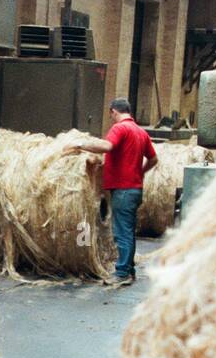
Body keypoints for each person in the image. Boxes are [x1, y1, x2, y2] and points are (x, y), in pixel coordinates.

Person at [63, 97, 157, 286]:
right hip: (134, 189)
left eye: (111, 114)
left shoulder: (120, 128)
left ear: (114, 111)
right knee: (128, 231)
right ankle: (129, 270)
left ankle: (121, 273)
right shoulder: (141, 132)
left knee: (121, 232)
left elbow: (107, 146)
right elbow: (154, 159)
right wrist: (140, 172)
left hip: (123, 190)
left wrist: (80, 144)